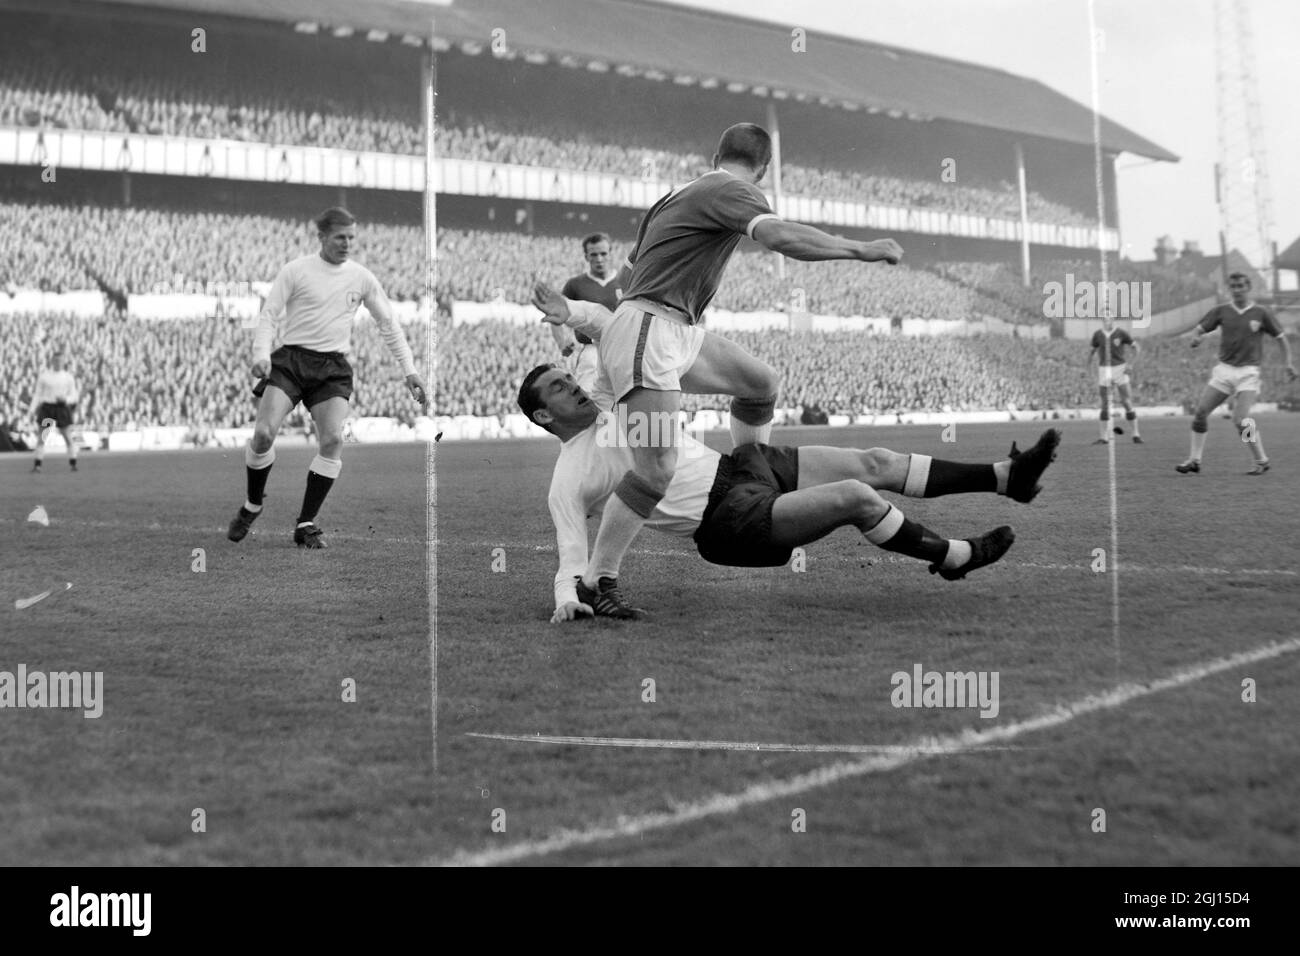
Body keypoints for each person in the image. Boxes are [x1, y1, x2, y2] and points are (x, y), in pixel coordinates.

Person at [526, 291, 1059, 620]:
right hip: (725, 521)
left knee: (874, 461)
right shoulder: (570, 475)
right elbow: (569, 550)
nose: (570, 384)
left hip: (741, 467)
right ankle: (954, 557)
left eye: (564, 376)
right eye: (556, 387)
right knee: (857, 497)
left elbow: (606, 323)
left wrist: (567, 311)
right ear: (544, 416)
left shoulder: (601, 396)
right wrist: (566, 598)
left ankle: (1007, 477)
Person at [576, 123, 904, 615]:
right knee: (656, 469)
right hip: (650, 329)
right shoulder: (730, 188)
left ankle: (753, 478)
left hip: (666, 327)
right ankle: (597, 580)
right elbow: (780, 236)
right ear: (764, 171)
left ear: (717, 152)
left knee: (760, 384)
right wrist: (862, 249)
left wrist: (595, 320)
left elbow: (626, 274)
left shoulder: (676, 195)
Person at [227, 207, 427, 548]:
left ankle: (305, 523)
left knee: (333, 440)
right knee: (262, 434)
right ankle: (252, 504)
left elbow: (388, 324)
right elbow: (269, 315)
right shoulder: (296, 271)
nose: (347, 244)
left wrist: (410, 371)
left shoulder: (361, 277)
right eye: (340, 237)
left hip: (331, 367)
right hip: (291, 360)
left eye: (351, 238)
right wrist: (261, 355)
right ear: (322, 237)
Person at [1176, 273, 1295, 476]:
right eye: (1233, 286)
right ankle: (1195, 460)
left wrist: (1288, 364)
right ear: (1229, 288)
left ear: (1249, 287)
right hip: (1224, 370)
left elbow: (1281, 338)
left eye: (1241, 285)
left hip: (1248, 373)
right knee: (1200, 414)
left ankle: (1261, 459)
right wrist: (1196, 339)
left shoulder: (1261, 313)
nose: (1237, 289)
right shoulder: (1221, 311)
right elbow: (1198, 330)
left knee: (1241, 419)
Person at [549, 232, 629, 394]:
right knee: (588, 396)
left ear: (611, 253)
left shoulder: (626, 282)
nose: (599, 259)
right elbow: (555, 313)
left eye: (603, 254)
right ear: (586, 257)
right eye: (594, 254)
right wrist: (562, 342)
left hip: (623, 349)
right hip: (592, 351)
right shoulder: (575, 285)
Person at [1087, 314, 1142, 444]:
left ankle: (1136, 434)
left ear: (1113, 319)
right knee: (1105, 404)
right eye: (1105, 318)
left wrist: (1131, 364)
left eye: (1109, 318)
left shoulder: (1121, 333)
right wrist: (1087, 369)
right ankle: (1103, 437)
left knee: (1126, 402)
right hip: (1104, 370)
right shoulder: (1097, 335)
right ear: (1102, 320)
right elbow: (1091, 352)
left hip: (1120, 368)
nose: (1107, 320)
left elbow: (1136, 347)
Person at [29, 351, 81, 472]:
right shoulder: (44, 376)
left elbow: (74, 395)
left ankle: (73, 463)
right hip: (48, 408)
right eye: (56, 360)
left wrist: (66, 399)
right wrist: (32, 409)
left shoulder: (68, 377)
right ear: (52, 361)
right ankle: (37, 465)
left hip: (62, 408)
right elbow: (37, 394)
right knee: (42, 437)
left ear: (64, 362)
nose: (58, 363)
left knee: (67, 436)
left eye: (60, 361)